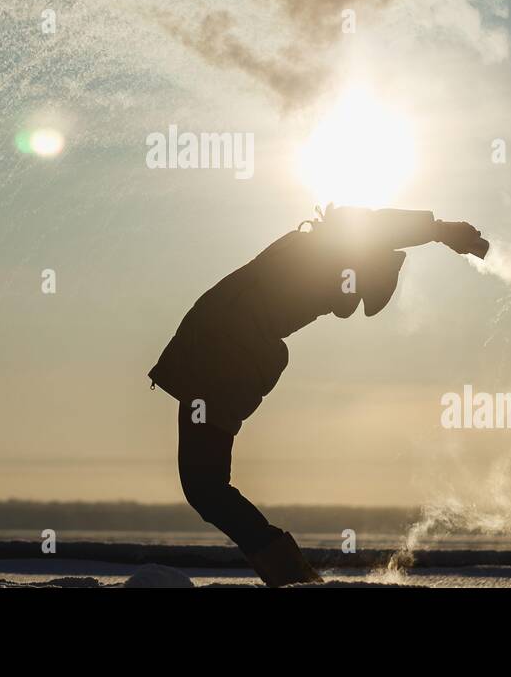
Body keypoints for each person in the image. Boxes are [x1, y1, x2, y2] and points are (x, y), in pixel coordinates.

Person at [148, 205, 488, 586]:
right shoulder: (327, 249)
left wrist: (438, 232)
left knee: (205, 487)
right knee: (206, 488)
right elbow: (375, 226)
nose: (350, 303)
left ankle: (293, 575)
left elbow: (372, 230)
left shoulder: (320, 258)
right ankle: (291, 573)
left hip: (223, 360)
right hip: (221, 356)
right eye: (360, 292)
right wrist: (439, 230)